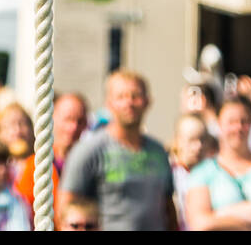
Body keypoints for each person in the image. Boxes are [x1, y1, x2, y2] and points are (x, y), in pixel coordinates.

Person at [59, 71, 177, 232]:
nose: (129, 102)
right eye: (121, 97)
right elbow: (65, 211)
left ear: (148, 102)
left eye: (135, 96)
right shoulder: (89, 151)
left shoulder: (158, 152)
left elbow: (168, 208)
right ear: (109, 104)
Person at [185, 95, 251, 232]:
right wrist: (247, 225)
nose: (238, 128)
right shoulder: (202, 172)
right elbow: (200, 224)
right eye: (231, 122)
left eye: (244, 121)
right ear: (218, 124)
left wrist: (220, 213)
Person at [170, 113, 214, 229]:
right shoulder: (169, 176)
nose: (199, 146)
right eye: (192, 140)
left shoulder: (216, 174)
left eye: (202, 139)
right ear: (178, 141)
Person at [53, 92, 89, 173]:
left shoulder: (89, 164)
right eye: (68, 119)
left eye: (80, 121)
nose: (74, 127)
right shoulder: (37, 163)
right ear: (53, 118)